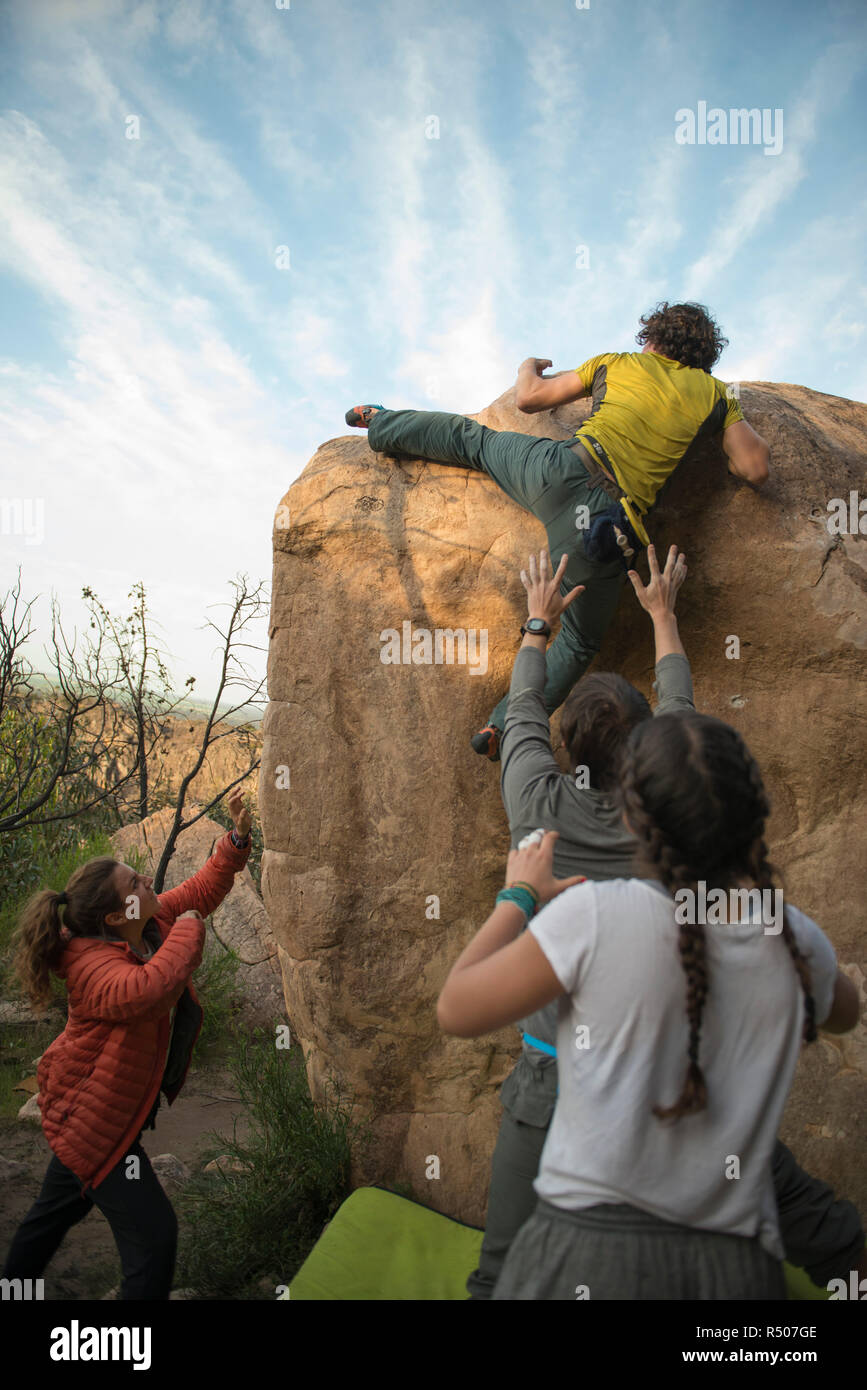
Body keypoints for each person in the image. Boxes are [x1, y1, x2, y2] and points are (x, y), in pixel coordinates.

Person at [464, 544, 866, 1297]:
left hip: (553, 1069)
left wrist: (537, 623)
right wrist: (661, 615)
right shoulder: (676, 821)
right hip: (684, 1064)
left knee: (502, 1273)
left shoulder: (536, 806)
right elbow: (679, 714)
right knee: (808, 1218)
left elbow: (522, 705)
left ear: (564, 750)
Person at [345, 300, 770, 760]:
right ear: (704, 356)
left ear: (652, 339)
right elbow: (755, 468)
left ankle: (381, 422)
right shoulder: (714, 394)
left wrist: (527, 367)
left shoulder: (619, 363)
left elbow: (529, 399)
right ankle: (501, 724)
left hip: (558, 471)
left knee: (476, 442)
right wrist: (732, 429)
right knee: (581, 640)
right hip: (607, 528)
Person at [2, 789, 253, 1301]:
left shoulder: (147, 925)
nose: (146, 880)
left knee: (50, 1220)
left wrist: (237, 839)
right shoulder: (91, 967)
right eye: (134, 882)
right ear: (115, 917)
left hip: (97, 1118)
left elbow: (201, 890)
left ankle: (12, 1291)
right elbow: (146, 992)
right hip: (96, 1128)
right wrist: (187, 934)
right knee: (156, 1239)